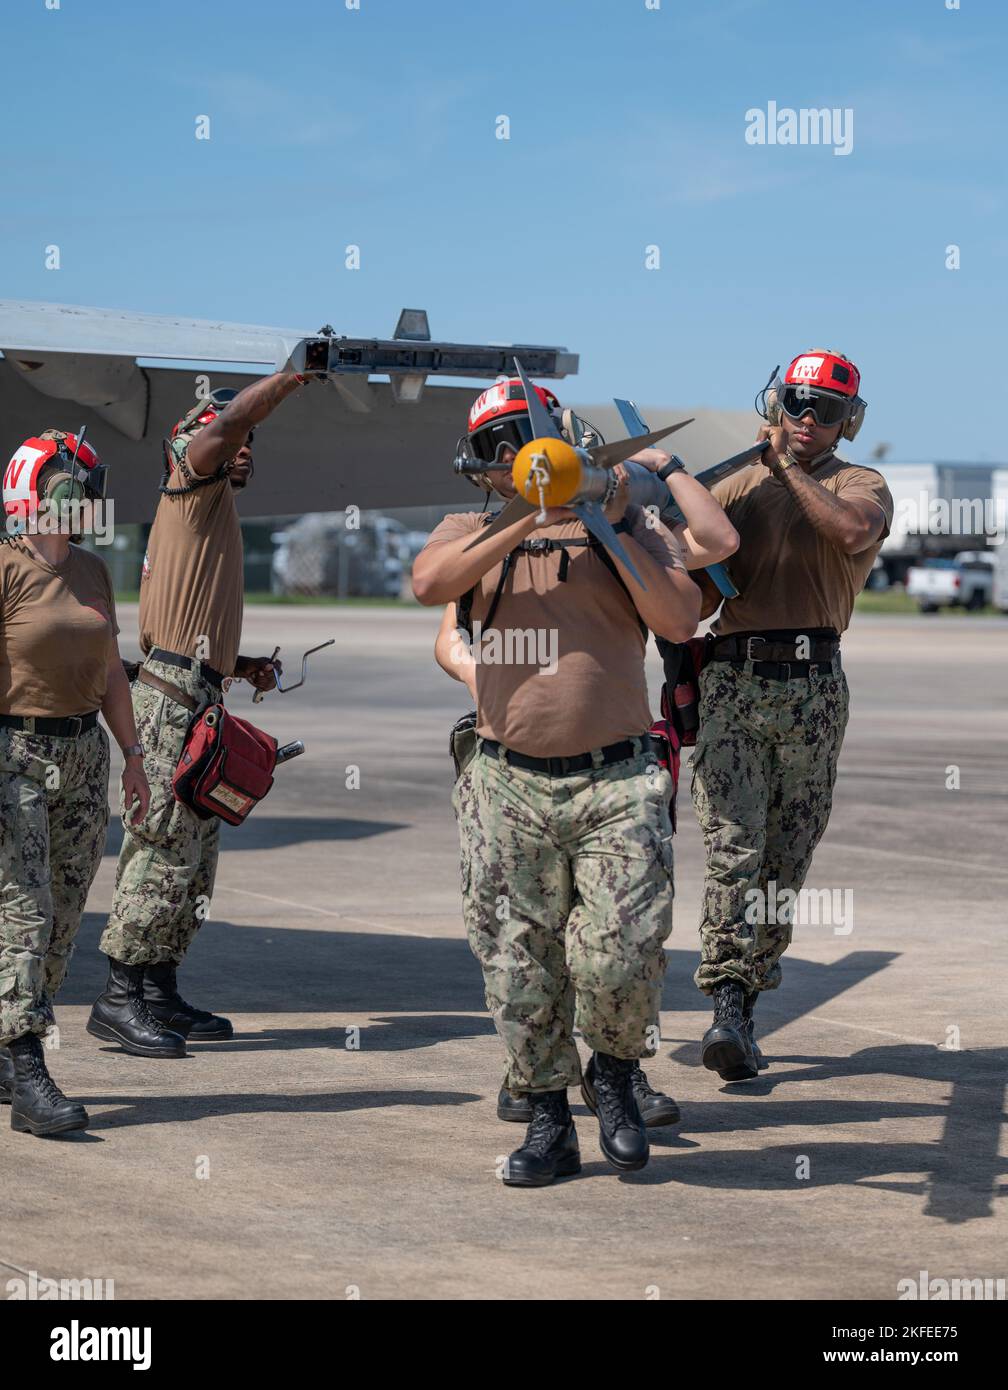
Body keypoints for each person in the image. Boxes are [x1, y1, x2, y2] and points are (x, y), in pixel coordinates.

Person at [416, 377, 737, 1185]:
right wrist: (528, 511)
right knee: (518, 962)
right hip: (505, 788)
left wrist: (607, 515)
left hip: (616, 781)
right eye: (500, 449)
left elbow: (676, 618)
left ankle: (619, 1074)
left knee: (624, 951)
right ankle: (549, 1119)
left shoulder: (625, 525)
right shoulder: (468, 530)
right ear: (482, 465)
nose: (519, 459)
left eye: (529, 441)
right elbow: (431, 588)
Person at [88, 367, 314, 1057]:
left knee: (190, 861)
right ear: (189, 445)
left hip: (194, 692)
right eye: (234, 437)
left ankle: (157, 988)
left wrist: (239, 666)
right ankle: (118, 997)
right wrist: (293, 376)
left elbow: (181, 628)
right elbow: (226, 424)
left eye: (252, 441)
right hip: (172, 707)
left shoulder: (209, 511)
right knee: (159, 853)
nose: (244, 447)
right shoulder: (191, 482)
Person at [691, 350, 894, 1080]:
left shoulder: (859, 484)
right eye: (798, 403)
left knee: (784, 859)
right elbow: (688, 585)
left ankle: (744, 1000)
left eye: (826, 410)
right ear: (776, 402)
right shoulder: (732, 482)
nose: (807, 419)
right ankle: (726, 1007)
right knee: (734, 849)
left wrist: (784, 469)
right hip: (735, 682)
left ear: (849, 421)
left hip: (813, 689)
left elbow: (849, 533)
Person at [0, 429, 149, 1136]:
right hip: (14, 754)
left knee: (63, 911)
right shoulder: (4, 565)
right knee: (21, 911)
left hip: (84, 756)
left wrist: (135, 756)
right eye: (67, 479)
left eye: (84, 483)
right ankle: (29, 1067)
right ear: (33, 486)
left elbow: (113, 668)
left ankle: (8, 1042)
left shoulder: (92, 571)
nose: (80, 493)